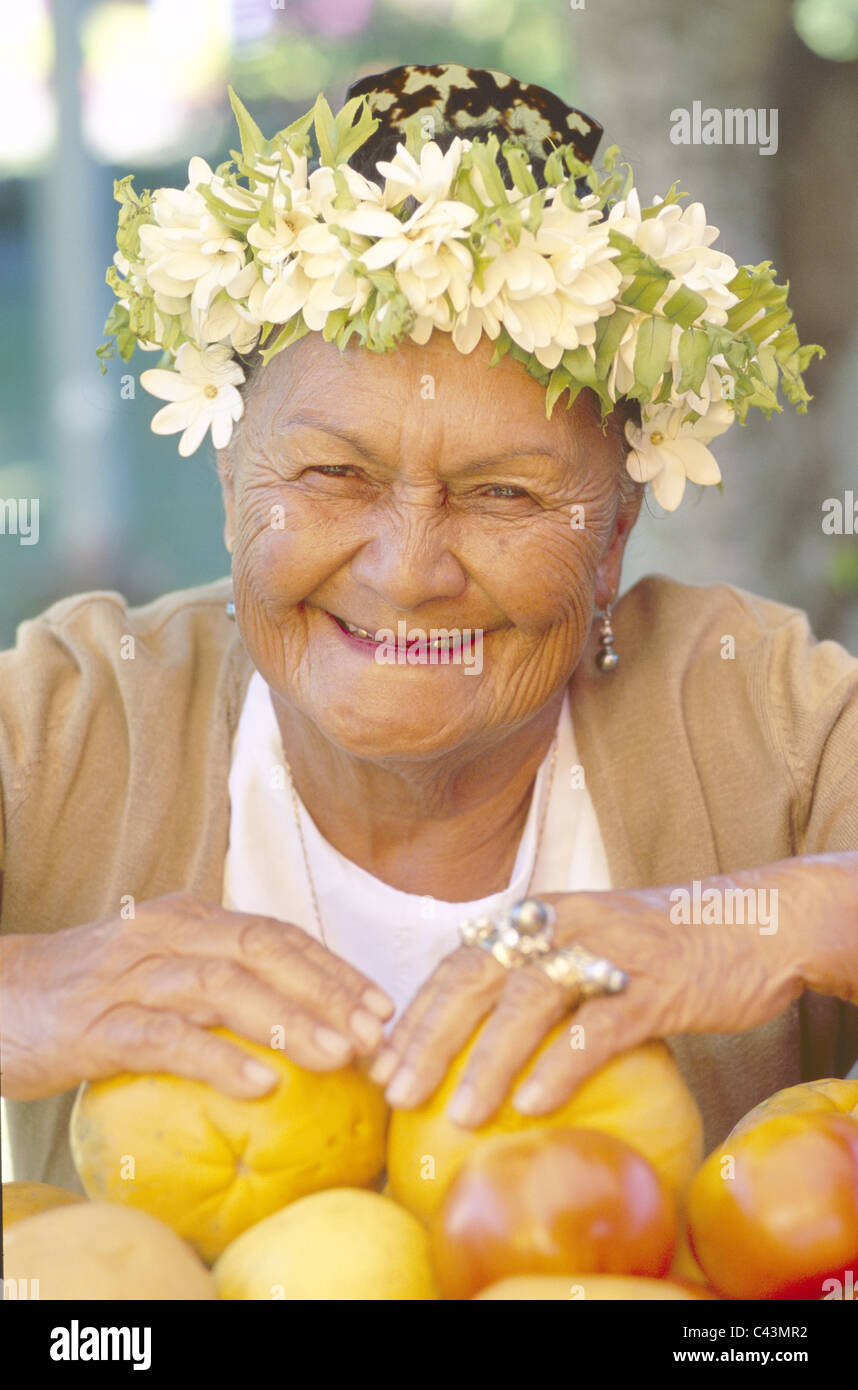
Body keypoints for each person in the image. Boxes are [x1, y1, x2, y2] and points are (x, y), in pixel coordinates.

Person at [1, 64, 856, 1197]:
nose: (408, 574)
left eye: (504, 494)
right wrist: (24, 990)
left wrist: (765, 926)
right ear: (230, 484)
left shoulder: (762, 712)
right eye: (332, 473)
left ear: (614, 538)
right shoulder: (78, 716)